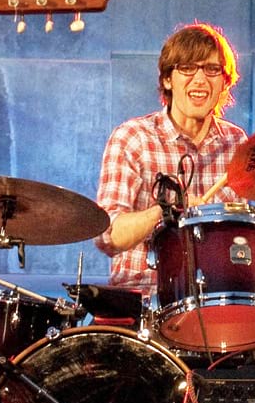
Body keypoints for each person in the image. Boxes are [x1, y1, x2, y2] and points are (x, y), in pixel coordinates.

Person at [93, 23, 246, 305]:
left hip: (214, 305)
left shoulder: (237, 144)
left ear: (225, 82)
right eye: (187, 68)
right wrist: (167, 211)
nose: (200, 79)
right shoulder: (134, 138)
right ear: (167, 79)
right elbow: (108, 236)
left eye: (212, 70)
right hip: (144, 305)